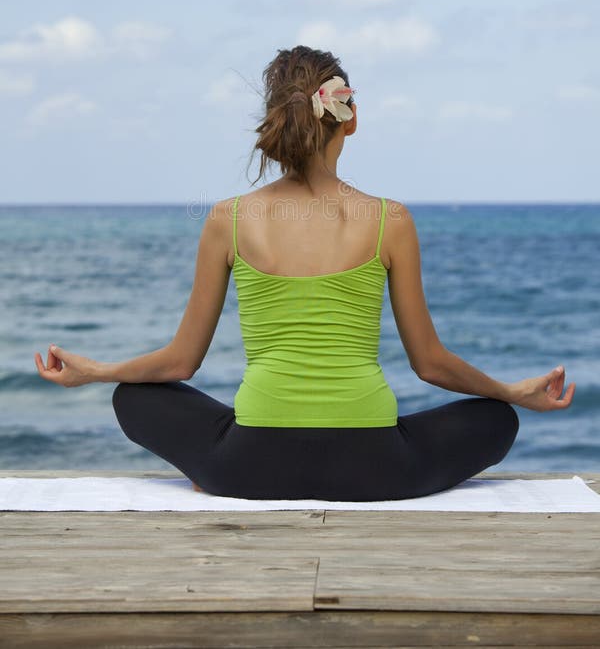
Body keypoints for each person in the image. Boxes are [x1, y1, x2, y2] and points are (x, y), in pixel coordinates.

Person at [34, 45, 576, 501]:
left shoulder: (228, 218)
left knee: (134, 397)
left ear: (277, 122)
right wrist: (510, 391)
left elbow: (181, 363)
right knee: (496, 419)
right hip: (376, 469)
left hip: (247, 467)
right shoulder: (391, 219)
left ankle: (212, 472)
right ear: (351, 117)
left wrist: (98, 371)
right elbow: (430, 365)